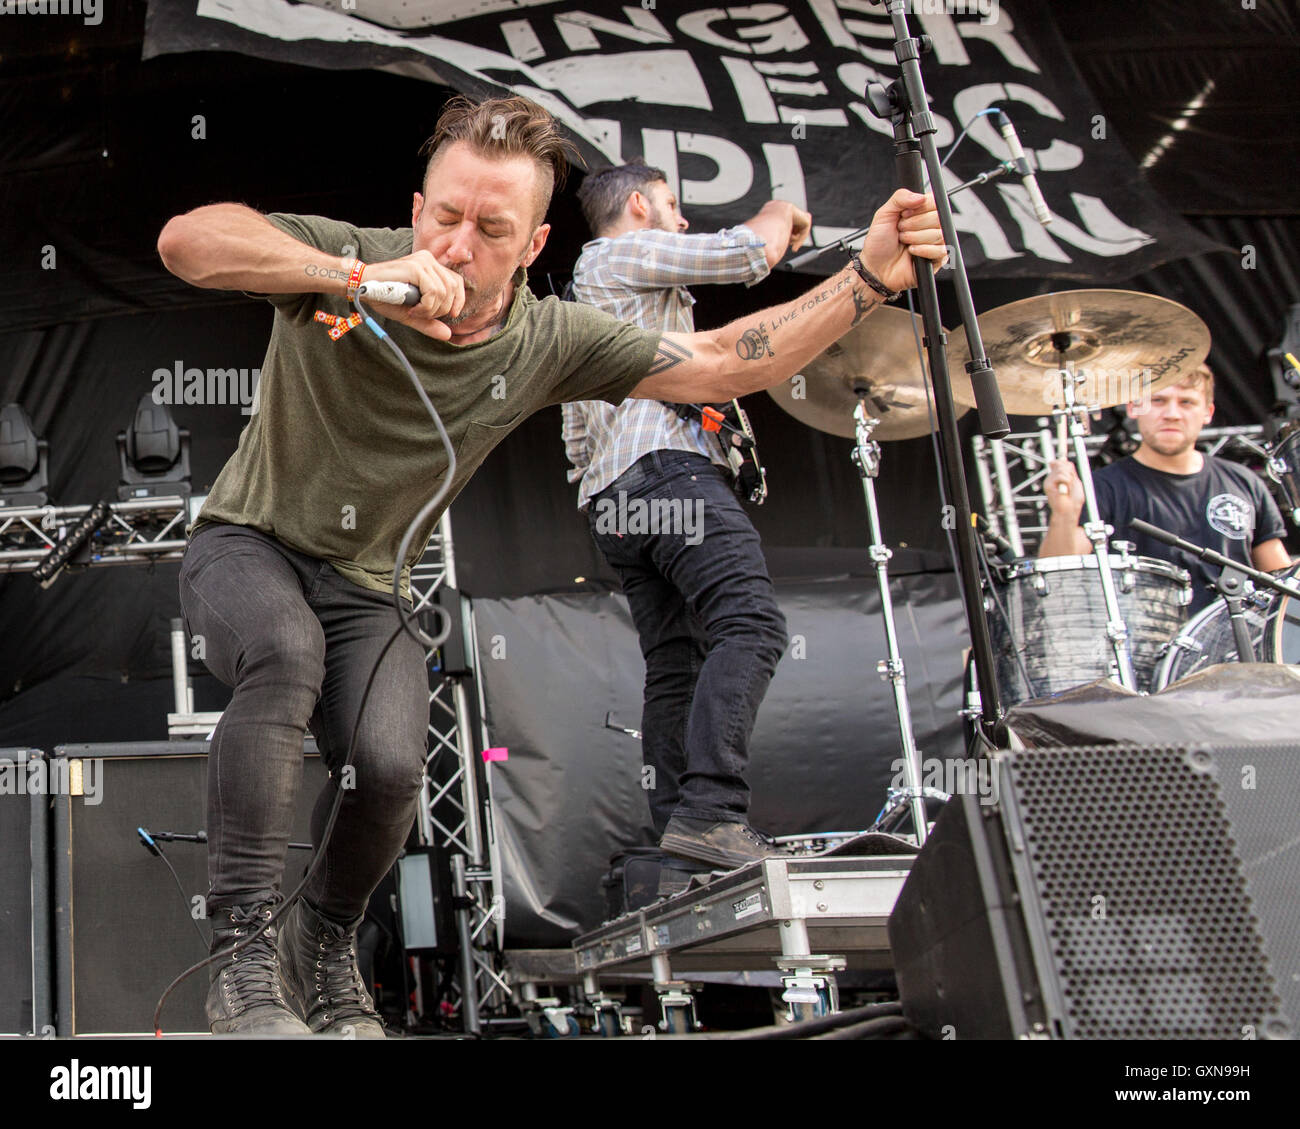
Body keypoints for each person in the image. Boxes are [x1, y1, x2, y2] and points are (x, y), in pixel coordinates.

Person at [156, 93, 948, 1036]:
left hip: (370, 587)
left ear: (532, 247)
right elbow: (189, 241)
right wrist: (352, 276)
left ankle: (323, 948)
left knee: (391, 771)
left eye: (491, 228)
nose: (457, 245)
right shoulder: (351, 256)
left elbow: (721, 360)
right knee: (283, 653)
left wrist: (866, 278)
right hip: (247, 546)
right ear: (416, 210)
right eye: (444, 216)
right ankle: (242, 961)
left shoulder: (547, 340)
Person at [562, 161, 811, 881]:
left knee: (675, 665)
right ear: (638, 205)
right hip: (667, 470)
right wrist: (780, 209)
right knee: (752, 624)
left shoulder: (588, 297)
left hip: (616, 497)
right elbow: (745, 254)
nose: (680, 222)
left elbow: (577, 439)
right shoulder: (620, 253)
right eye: (672, 207)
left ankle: (680, 824)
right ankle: (713, 811)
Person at [1041, 364, 1290, 614]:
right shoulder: (1101, 487)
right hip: (1143, 644)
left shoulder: (1245, 482)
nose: (1172, 413)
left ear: (1208, 412)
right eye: (1158, 400)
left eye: (1187, 402)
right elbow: (1058, 582)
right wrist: (1064, 514)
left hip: (1240, 643)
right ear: (1133, 407)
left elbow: (1281, 583)